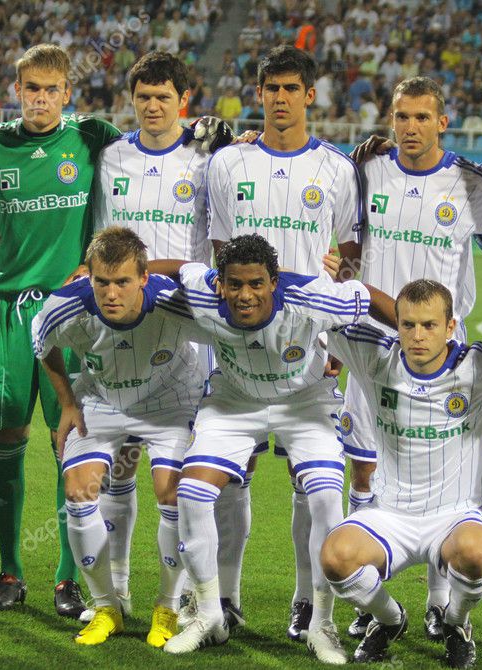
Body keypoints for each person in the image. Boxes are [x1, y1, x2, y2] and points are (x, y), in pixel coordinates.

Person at [152, 234, 394, 664]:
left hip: (304, 403)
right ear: (220, 284)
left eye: (256, 284)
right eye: (235, 284)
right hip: (234, 402)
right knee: (191, 493)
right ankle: (209, 616)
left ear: (274, 281)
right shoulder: (203, 292)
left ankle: (321, 624)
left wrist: (415, 331)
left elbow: (366, 296)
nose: (245, 295)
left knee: (323, 497)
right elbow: (174, 269)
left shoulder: (312, 298)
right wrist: (110, 274)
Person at [206, 44, 363, 646]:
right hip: (241, 345)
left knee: (311, 480)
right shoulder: (227, 165)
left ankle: (305, 601)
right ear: (259, 95)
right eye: (270, 89)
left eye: (290, 88)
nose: (279, 99)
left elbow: (346, 258)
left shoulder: (337, 169)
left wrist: (335, 281)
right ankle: (227, 595)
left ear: (309, 95)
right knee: (234, 473)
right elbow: (220, 254)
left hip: (309, 349)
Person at [336, 75, 482, 643]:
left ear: (442, 122)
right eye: (401, 117)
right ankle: (370, 590)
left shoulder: (470, 183)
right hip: (376, 347)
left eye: (422, 118)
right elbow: (349, 247)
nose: (410, 128)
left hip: (441, 347)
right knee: (364, 464)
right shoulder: (367, 169)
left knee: (439, 475)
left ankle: (436, 602)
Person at [0, 43, 121, 616]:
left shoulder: (91, 138)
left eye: (53, 90)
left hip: (70, 313)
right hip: (7, 309)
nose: (42, 100)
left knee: (69, 441)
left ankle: (66, 578)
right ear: (17, 88)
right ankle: (9, 571)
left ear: (68, 93)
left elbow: (159, 148)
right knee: (7, 437)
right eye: (33, 89)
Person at [91, 51, 230, 642]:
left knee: (169, 481)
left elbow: (219, 244)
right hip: (116, 333)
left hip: (182, 333)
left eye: (162, 98)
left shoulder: (206, 158)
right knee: (117, 473)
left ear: (184, 103)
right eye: (142, 97)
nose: (151, 107)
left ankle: (169, 602)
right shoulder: (111, 157)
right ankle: (114, 595)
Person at [30, 227, 207, 647]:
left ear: (143, 278)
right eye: (102, 282)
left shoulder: (177, 302)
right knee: (77, 491)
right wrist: (67, 403)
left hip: (171, 403)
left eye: (123, 282)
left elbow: (229, 329)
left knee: (172, 494)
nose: (111, 293)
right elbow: (43, 345)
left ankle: (167, 605)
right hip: (104, 402)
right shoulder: (65, 306)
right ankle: (107, 605)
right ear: (88, 277)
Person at [322, 280, 482, 668]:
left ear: (451, 326)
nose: (417, 336)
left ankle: (456, 624)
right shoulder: (375, 356)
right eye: (407, 325)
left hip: (457, 514)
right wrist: (327, 279)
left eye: (429, 325)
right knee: (335, 558)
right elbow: (315, 309)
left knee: (477, 552)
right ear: (396, 324)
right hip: (391, 513)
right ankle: (389, 620)